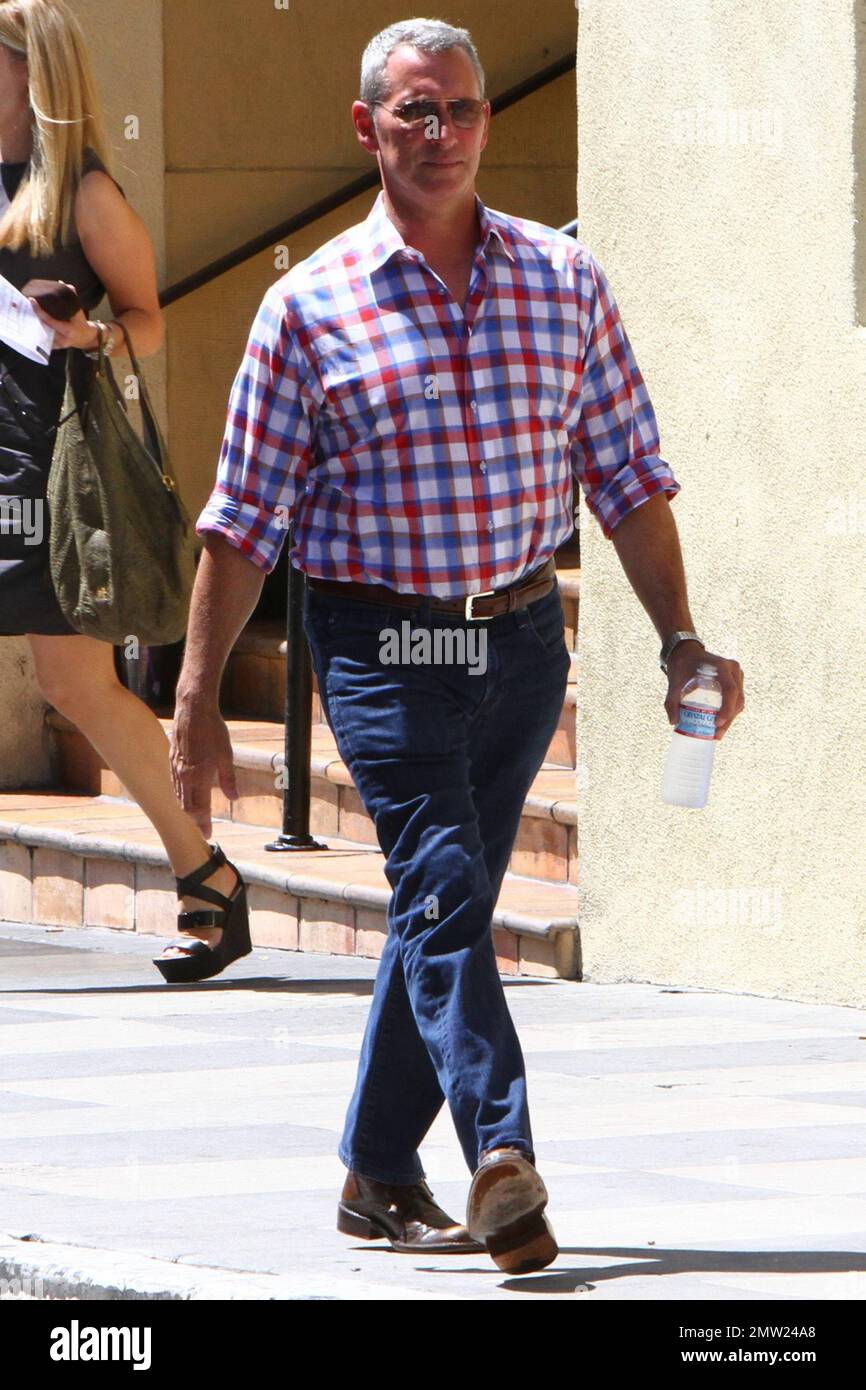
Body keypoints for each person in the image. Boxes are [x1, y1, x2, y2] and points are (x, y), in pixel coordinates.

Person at [178, 18, 745, 1274]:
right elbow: (239, 520)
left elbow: (629, 476)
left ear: (488, 120)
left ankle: (377, 1171)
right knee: (440, 890)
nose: (441, 136)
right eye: (414, 112)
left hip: (522, 641)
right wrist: (197, 695)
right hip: (378, 649)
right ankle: (504, 1156)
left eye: (463, 111)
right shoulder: (304, 307)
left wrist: (678, 642)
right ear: (365, 126)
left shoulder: (563, 280)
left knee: (448, 908)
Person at [0, 0, 250, 984]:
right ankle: (208, 879)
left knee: (74, 683)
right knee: (75, 682)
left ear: (29, 72)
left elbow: (146, 319)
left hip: (45, 464)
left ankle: (206, 877)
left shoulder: (81, 195)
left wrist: (88, 334)